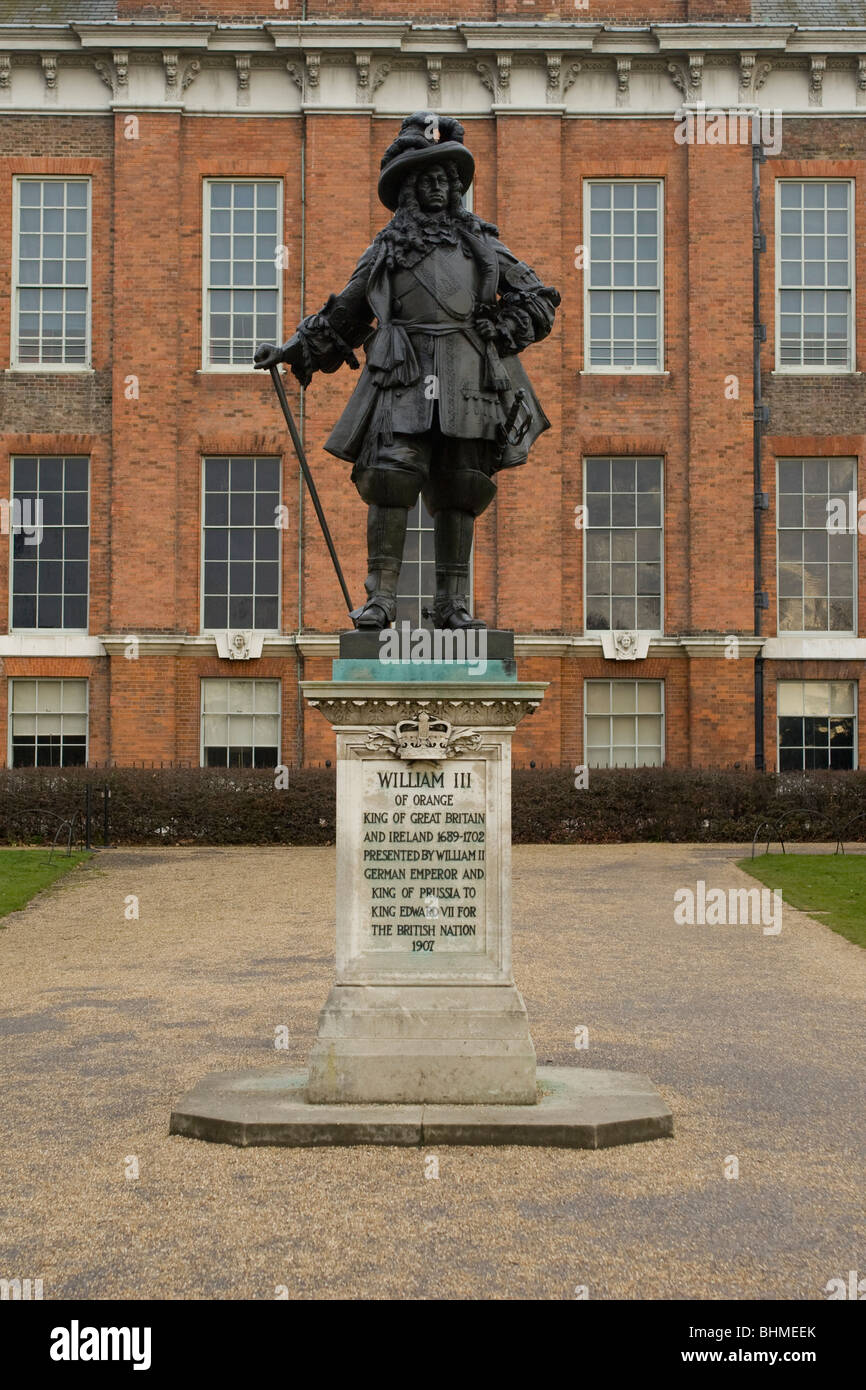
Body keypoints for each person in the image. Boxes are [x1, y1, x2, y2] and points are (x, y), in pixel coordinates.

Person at [255, 111, 560, 631]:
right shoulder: (388, 249)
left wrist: (499, 326)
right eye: (427, 181)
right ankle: (381, 598)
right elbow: (346, 312)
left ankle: (452, 604)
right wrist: (292, 350)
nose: (439, 188)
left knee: (462, 484)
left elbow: (536, 298)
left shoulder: (481, 243)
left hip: (468, 372)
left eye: (446, 180)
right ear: (410, 191)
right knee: (391, 475)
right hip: (404, 368)